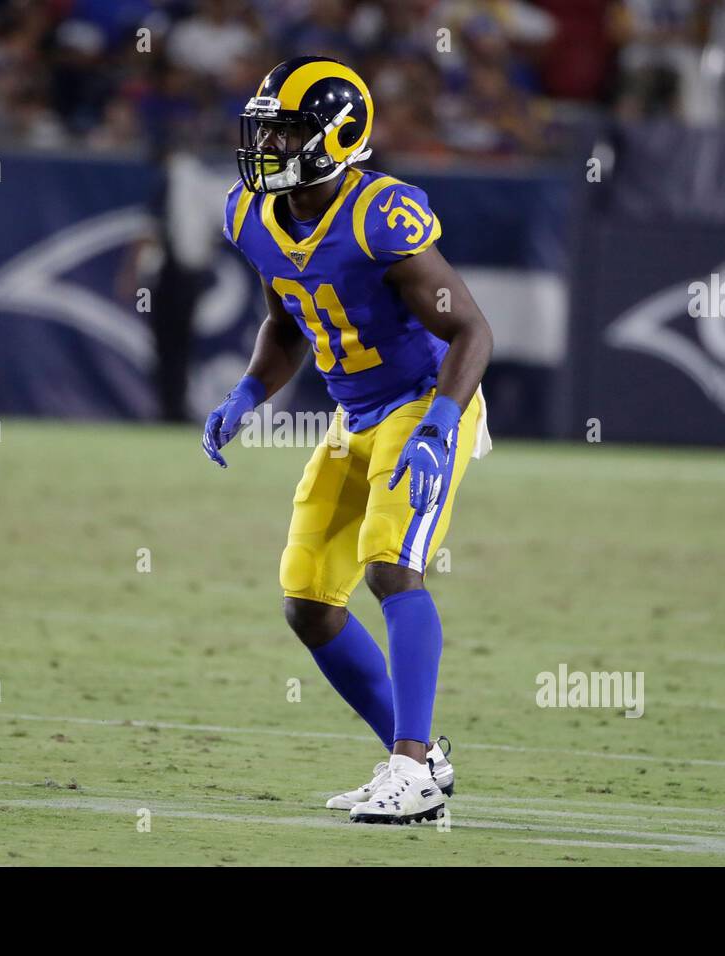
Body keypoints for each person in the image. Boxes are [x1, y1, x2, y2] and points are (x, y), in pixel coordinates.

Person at [202, 57, 493, 825]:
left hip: (424, 403)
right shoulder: (254, 214)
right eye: (267, 126)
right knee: (307, 601)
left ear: (340, 134)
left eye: (290, 127)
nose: (270, 142)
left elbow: (471, 329)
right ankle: (419, 766)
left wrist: (441, 423)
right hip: (352, 415)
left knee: (391, 568)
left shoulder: (380, 215)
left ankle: (409, 761)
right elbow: (285, 319)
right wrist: (249, 391)